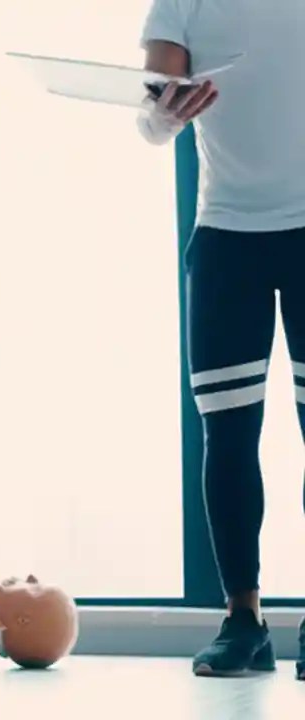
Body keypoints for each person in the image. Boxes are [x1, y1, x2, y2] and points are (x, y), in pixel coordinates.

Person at [138, 0, 305, 680]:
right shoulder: (179, 2)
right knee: (228, 436)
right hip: (226, 235)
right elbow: (150, 119)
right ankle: (245, 621)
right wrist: (166, 116)